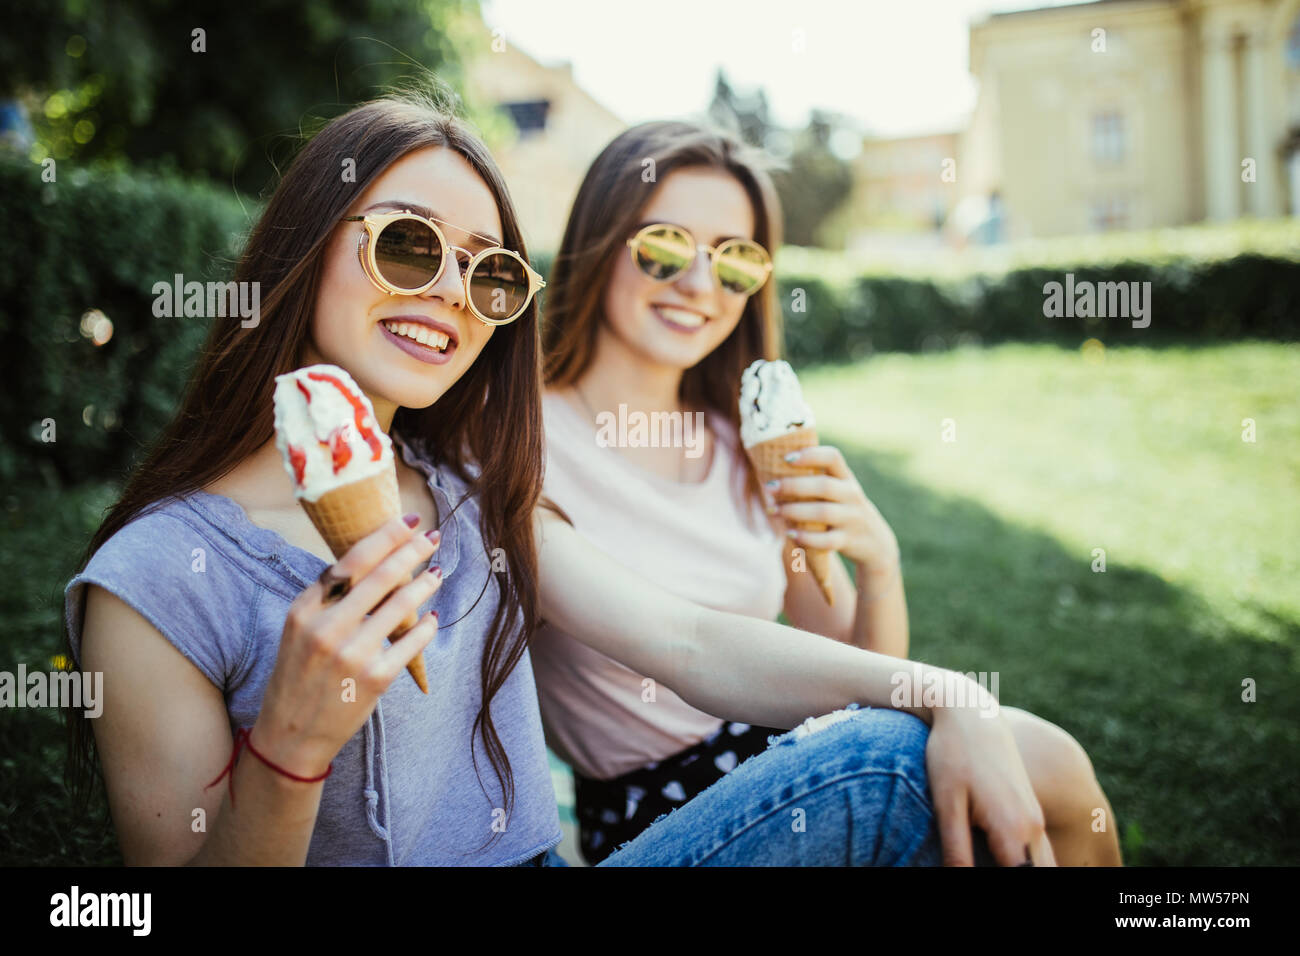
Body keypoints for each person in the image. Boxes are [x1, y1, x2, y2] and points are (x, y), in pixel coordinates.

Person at [63, 91, 1050, 867]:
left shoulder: (468, 488)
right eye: (409, 245)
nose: (452, 291)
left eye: (489, 272)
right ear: (307, 245)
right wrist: (288, 745)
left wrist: (946, 691)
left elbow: (688, 639)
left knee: (1016, 763)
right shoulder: (151, 580)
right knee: (887, 764)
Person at [534, 120, 1122, 865]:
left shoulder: (740, 440)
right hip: (661, 806)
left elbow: (858, 671)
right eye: (665, 245)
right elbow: (689, 645)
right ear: (600, 239)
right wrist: (950, 696)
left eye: (736, 261)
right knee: (1044, 763)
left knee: (1041, 770)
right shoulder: (522, 444)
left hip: (793, 747)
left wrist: (878, 565)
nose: (699, 284)